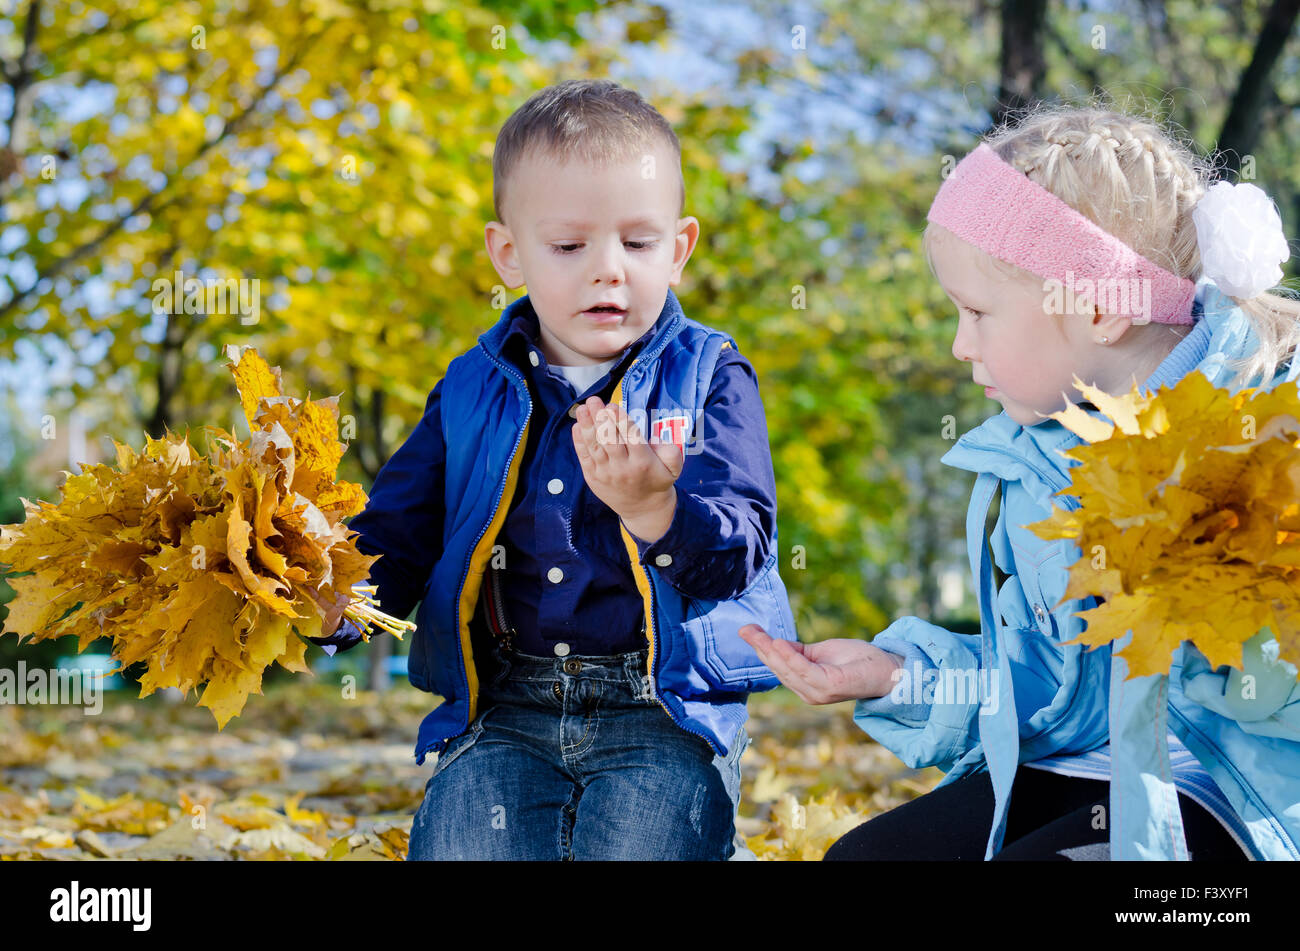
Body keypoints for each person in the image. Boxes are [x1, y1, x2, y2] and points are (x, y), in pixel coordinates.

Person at [740, 103, 1300, 861]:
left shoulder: (1270, 432)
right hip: (1104, 765)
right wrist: (901, 677)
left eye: (976, 312)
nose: (958, 344)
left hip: (1254, 799)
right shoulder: (1041, 453)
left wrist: (1220, 607)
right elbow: (1051, 693)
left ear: (1098, 305)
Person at [310, 78, 796, 860]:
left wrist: (655, 509)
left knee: (647, 844)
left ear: (679, 249)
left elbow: (739, 550)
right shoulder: (470, 387)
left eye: (638, 244)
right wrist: (334, 597)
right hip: (507, 704)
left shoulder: (709, 373)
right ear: (509, 254)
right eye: (570, 246)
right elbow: (398, 534)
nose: (609, 269)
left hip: (662, 707)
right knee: (464, 844)